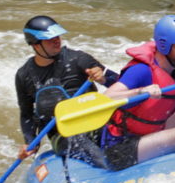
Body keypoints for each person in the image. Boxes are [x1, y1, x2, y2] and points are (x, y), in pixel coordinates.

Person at [99, 13, 175, 170]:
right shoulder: (141, 70)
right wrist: (141, 91)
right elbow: (106, 99)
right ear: (164, 45)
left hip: (147, 133)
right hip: (121, 149)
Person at [15, 15, 118, 162]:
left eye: (57, 36)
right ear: (35, 44)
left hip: (96, 124)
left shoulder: (78, 59)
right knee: (77, 139)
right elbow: (27, 114)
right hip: (63, 136)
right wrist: (31, 142)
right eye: (50, 38)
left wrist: (103, 78)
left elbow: (121, 83)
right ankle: (108, 170)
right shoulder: (24, 75)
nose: (56, 40)